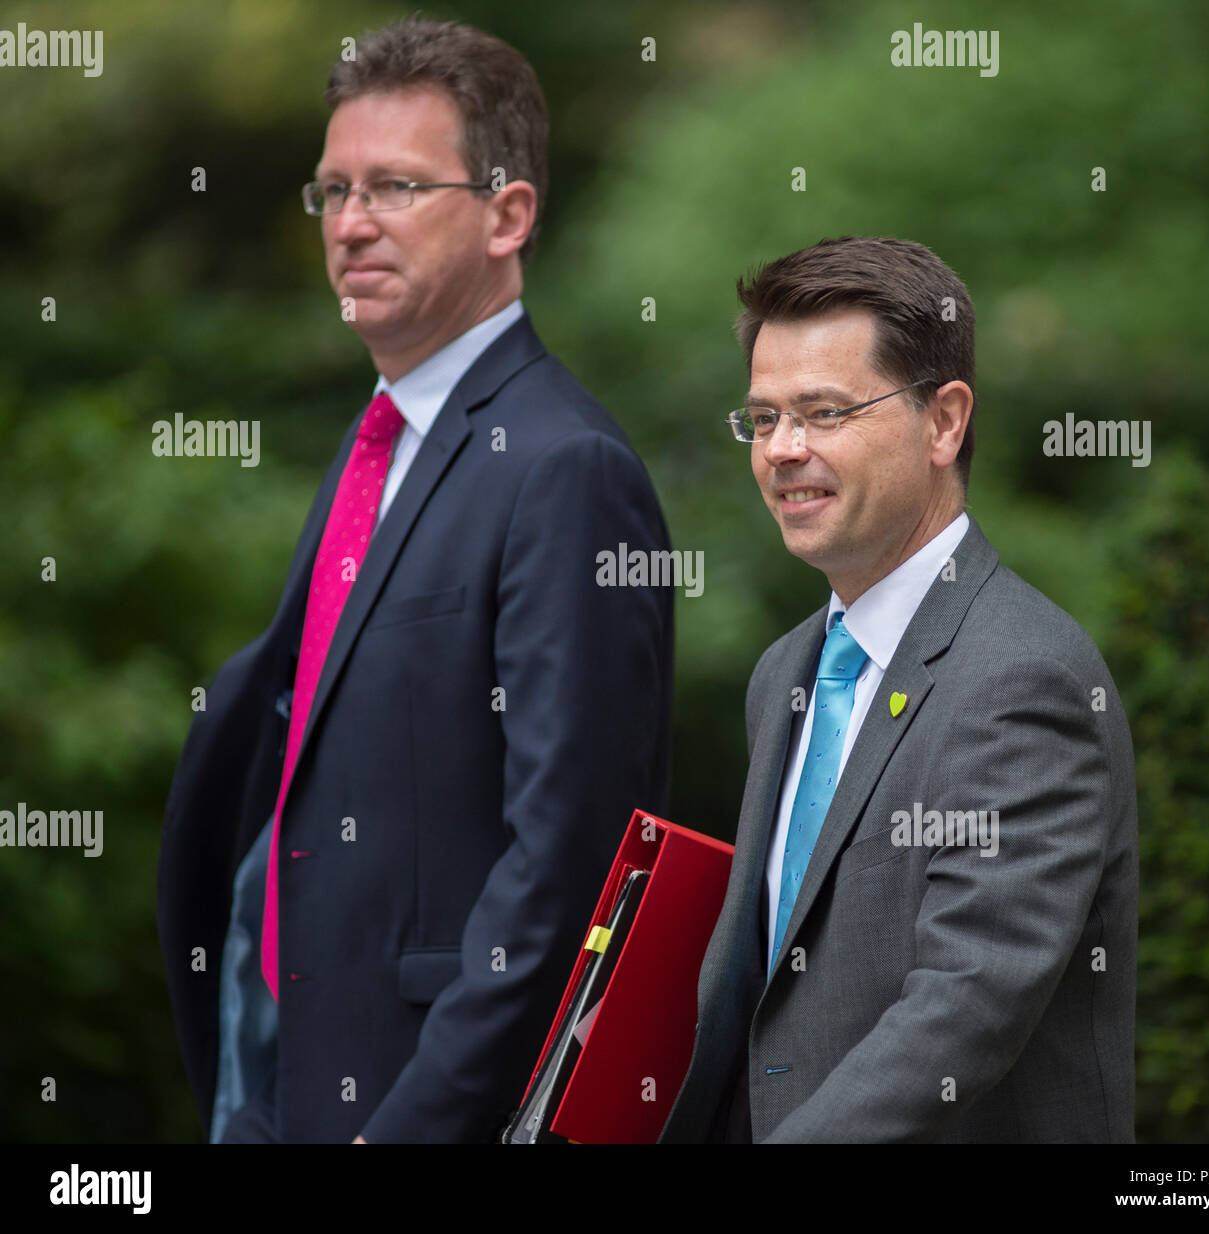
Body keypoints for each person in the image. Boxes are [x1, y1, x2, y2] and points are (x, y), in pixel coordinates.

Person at [157, 17, 674, 1144]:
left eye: (394, 186)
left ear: (509, 213)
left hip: (422, 1102)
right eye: (332, 191)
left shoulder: (564, 468)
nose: (350, 225)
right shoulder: (375, 442)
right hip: (282, 1068)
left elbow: (567, 864)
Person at [660, 236, 1137, 1143]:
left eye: (825, 412)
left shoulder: (1021, 678)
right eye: (762, 419)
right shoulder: (784, 674)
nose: (784, 451)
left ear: (944, 421)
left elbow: (965, 1007)